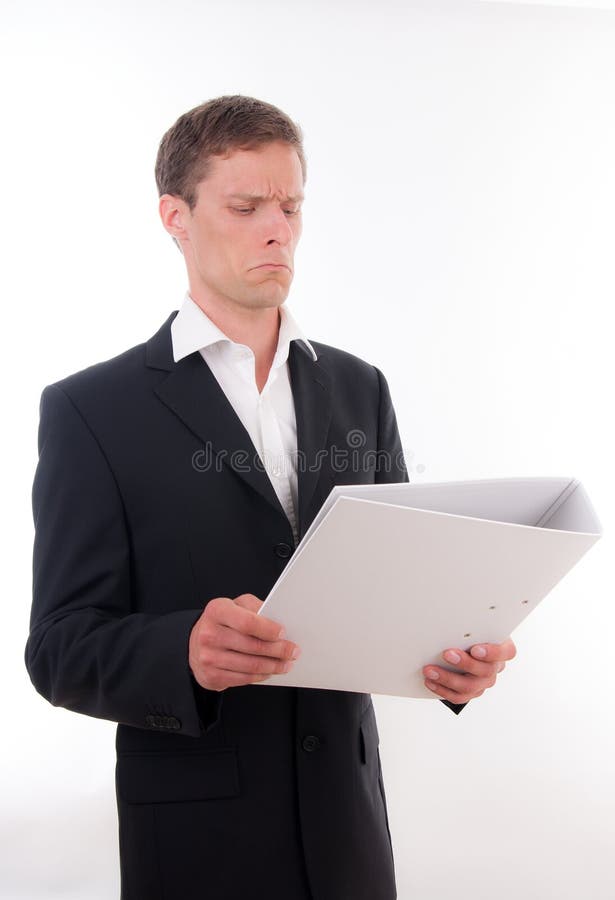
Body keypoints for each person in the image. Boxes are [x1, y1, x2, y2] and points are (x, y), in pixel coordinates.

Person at [25, 95, 516, 900]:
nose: (277, 229)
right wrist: (181, 651)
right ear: (174, 217)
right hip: (196, 841)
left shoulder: (360, 388)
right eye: (245, 206)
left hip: (348, 834)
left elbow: (386, 597)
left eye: (289, 206)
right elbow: (58, 648)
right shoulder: (91, 409)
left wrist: (449, 656)